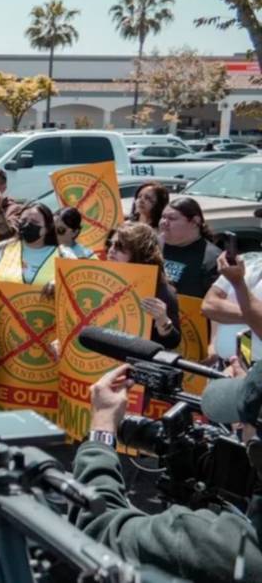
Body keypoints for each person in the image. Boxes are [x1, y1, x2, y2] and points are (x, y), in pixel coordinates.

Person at [75, 363, 261, 579]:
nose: (236, 428)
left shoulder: (211, 541)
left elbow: (99, 531)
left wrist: (102, 428)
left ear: (257, 450)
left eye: (242, 425)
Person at [106, 222, 181, 349]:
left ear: (138, 252)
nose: (112, 250)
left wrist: (162, 320)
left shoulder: (160, 290)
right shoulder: (103, 278)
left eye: (120, 246)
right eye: (110, 244)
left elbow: (172, 342)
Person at [0, 202, 66, 286]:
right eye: (23, 220)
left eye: (34, 222)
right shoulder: (1, 249)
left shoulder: (62, 255)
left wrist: (58, 284)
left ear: (47, 228)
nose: (27, 224)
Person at [160, 197, 221, 299]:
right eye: (163, 217)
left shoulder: (212, 259)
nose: (164, 222)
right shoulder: (153, 246)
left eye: (172, 218)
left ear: (194, 221)